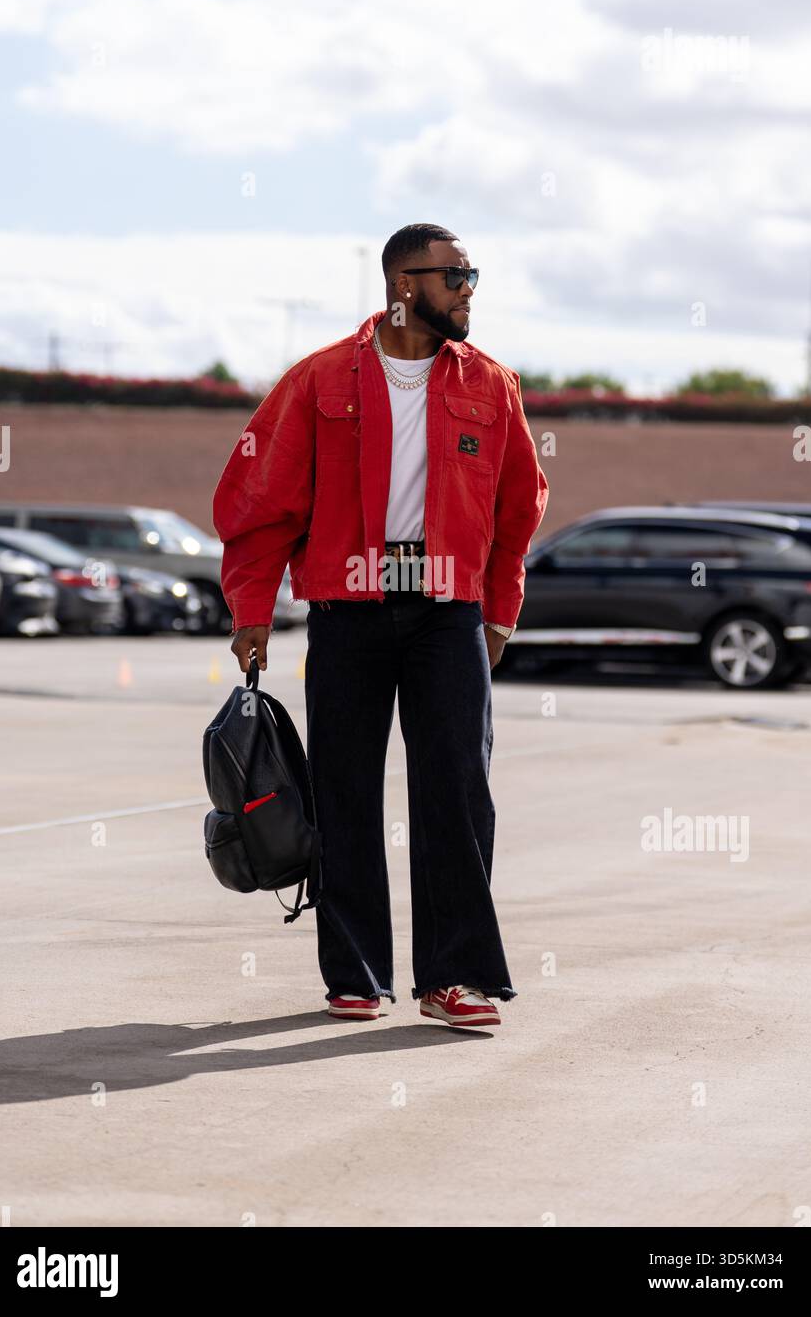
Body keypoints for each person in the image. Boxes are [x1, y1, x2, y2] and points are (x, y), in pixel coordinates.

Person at [213, 223, 548, 1029]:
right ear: (405, 283)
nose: (469, 289)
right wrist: (252, 607)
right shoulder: (320, 379)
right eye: (456, 275)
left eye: (473, 275)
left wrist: (497, 613)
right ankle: (356, 974)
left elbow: (516, 511)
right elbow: (261, 504)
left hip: (446, 615)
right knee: (344, 793)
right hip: (345, 610)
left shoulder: (491, 386)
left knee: (457, 792)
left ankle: (456, 976)